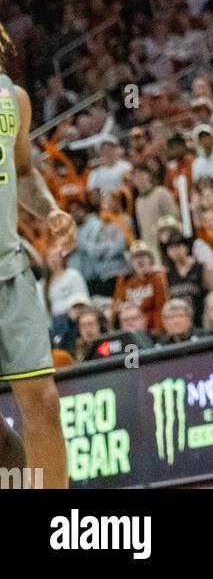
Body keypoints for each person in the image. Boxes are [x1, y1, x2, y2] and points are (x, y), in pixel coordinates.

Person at [0, 27, 76, 488]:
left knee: (42, 401)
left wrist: (50, 211)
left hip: (10, 272)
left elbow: (24, 171)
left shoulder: (13, 98)